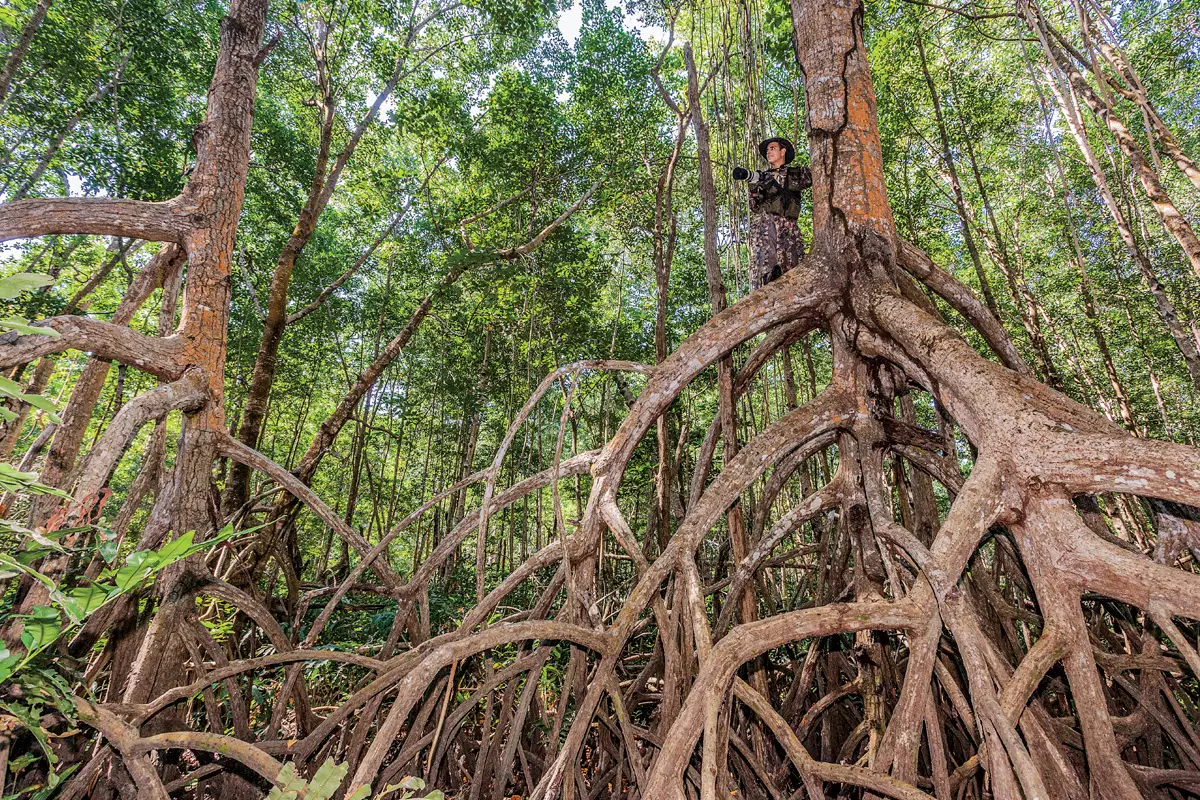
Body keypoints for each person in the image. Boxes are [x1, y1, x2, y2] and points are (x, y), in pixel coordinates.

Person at [735, 137, 812, 289]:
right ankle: (767, 277)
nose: (768, 151)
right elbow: (755, 207)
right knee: (765, 257)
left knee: (792, 265)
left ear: (783, 151)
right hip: (766, 227)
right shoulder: (760, 178)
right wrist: (755, 188)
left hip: (789, 228)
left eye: (772, 148)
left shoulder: (797, 173)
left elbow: (815, 176)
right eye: (767, 150)